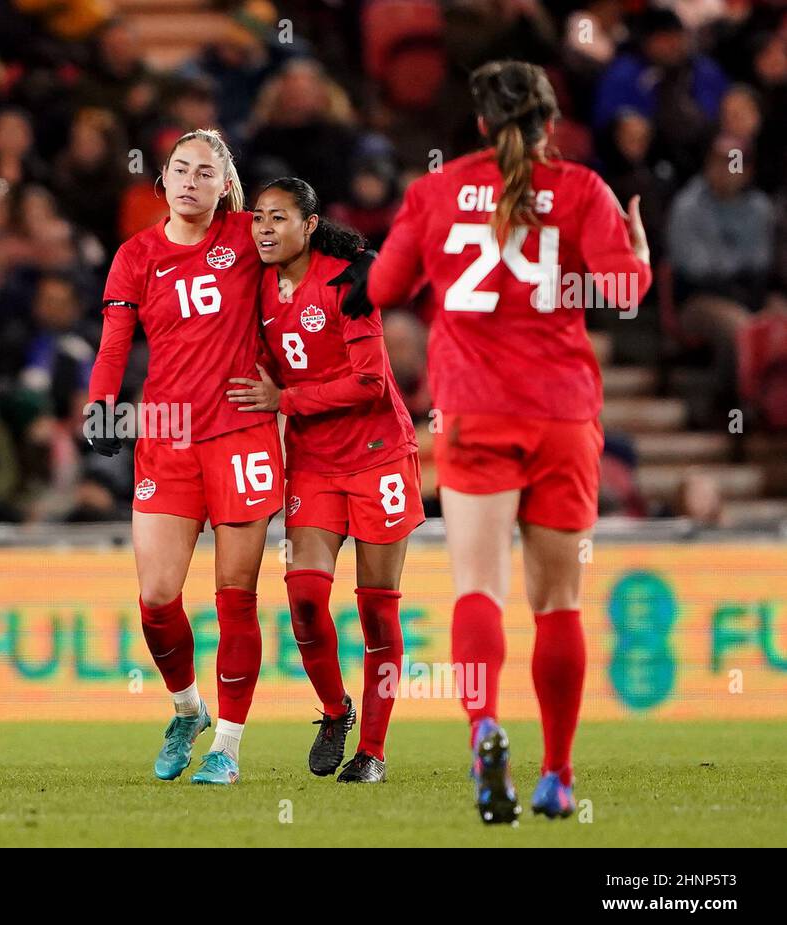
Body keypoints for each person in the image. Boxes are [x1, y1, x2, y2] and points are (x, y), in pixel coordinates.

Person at [369, 61, 651, 823]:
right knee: (558, 603)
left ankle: (484, 727)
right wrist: (642, 257)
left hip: (474, 410)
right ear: (551, 123)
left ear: (483, 124)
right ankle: (557, 774)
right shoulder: (584, 189)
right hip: (561, 413)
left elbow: (382, 289)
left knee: (478, 590)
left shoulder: (433, 190)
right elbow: (623, 291)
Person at [84, 128, 280, 785]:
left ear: (225, 184)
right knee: (158, 596)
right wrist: (101, 403)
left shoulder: (252, 235)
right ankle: (186, 708)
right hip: (166, 438)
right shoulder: (136, 256)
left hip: (241, 436)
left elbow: (321, 267)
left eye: (206, 171)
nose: (191, 180)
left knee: (235, 596)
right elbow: (114, 341)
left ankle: (228, 744)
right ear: (162, 182)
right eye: (181, 170)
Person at [228, 177, 421, 783]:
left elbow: (368, 381)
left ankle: (374, 753)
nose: (263, 228)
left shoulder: (350, 280)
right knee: (305, 601)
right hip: (312, 463)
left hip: (379, 455)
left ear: (309, 226)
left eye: (278, 218)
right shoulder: (254, 285)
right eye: (257, 217)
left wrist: (284, 399)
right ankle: (337, 711)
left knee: (377, 615)